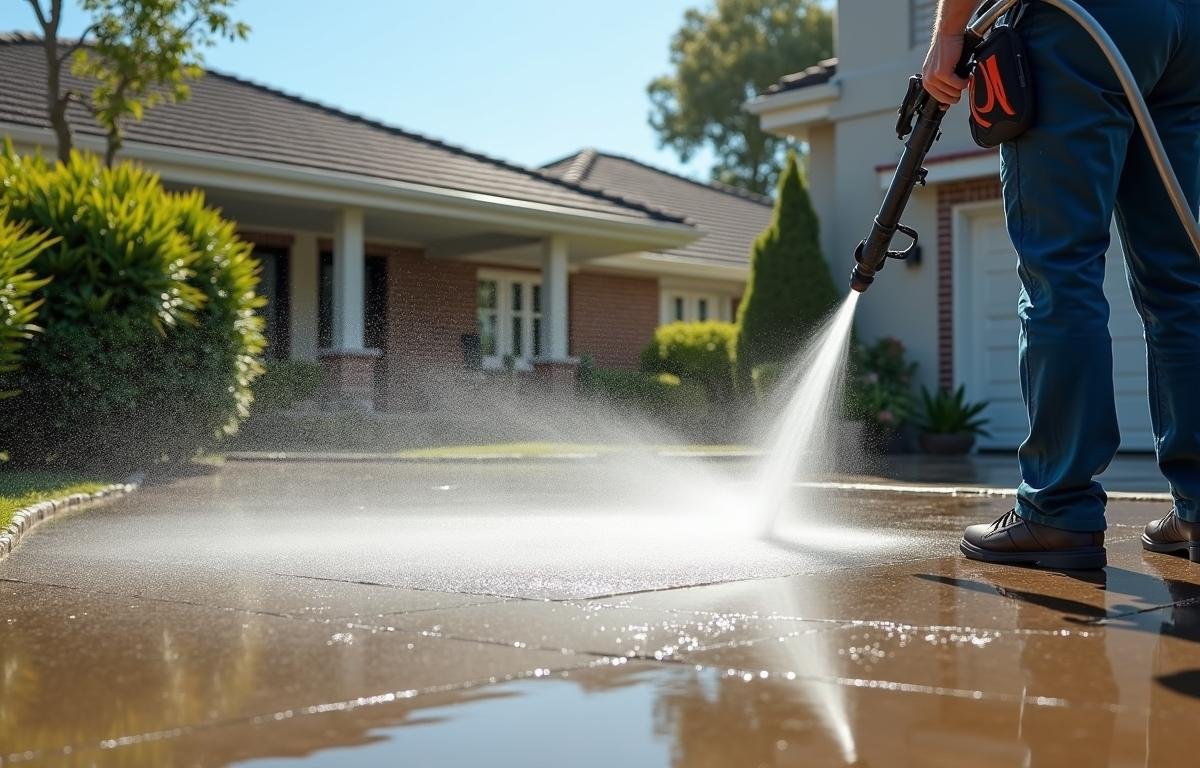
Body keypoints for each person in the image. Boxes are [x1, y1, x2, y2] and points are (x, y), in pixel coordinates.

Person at [923, 0, 1200, 569]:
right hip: (1187, 31)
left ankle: (1058, 510)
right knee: (1181, 284)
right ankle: (1198, 505)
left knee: (1061, 271)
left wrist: (951, 30)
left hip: (1082, 19)